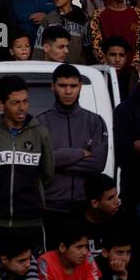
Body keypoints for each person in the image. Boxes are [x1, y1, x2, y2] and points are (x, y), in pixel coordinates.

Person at [0, 75, 55, 254]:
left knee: (34, 279)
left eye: (25, 101)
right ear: (1, 105)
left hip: (31, 223)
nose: (22, 108)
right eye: (15, 103)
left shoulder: (40, 134)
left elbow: (47, 174)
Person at [36, 64, 109, 242]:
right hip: (50, 209)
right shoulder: (40, 122)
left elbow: (97, 164)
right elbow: (40, 162)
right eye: (62, 86)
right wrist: (78, 153)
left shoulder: (95, 121)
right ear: (53, 87)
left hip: (84, 209)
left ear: (80, 87)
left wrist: (55, 162)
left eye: (73, 86)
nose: (68, 91)